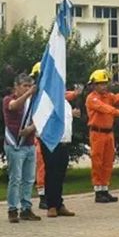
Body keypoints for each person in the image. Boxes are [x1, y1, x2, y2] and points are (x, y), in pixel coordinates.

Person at [86, 69, 119, 202]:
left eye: (105, 83)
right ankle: (98, 191)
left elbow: (117, 98)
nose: (104, 86)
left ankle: (105, 188)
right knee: (98, 162)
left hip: (108, 133)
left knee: (108, 161)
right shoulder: (92, 98)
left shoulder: (108, 96)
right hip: (97, 133)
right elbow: (104, 108)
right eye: (100, 83)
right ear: (94, 85)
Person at [3, 73, 40, 223]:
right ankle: (12, 208)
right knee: (15, 178)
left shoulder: (32, 102)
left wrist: (30, 129)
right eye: (25, 86)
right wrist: (29, 94)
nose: (28, 89)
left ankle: (26, 208)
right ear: (16, 87)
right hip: (15, 145)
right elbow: (14, 106)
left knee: (29, 179)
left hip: (29, 143)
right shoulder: (8, 99)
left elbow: (39, 119)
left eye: (30, 86)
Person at [41, 86, 78, 219]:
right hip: (51, 142)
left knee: (61, 174)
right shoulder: (48, 102)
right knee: (51, 173)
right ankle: (51, 205)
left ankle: (59, 203)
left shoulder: (66, 103)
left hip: (64, 142)